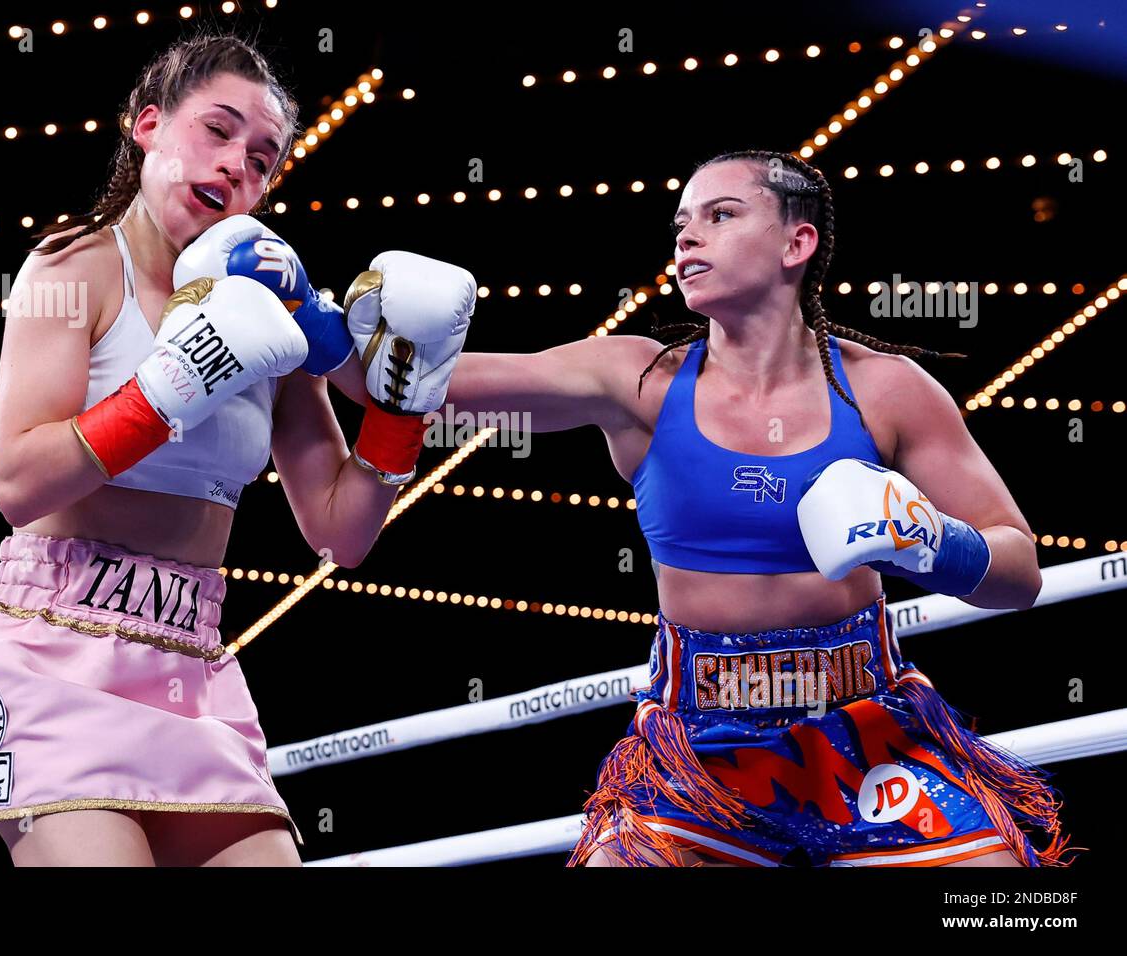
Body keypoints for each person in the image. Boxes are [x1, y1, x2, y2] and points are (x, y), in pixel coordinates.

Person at [0, 33, 474, 866]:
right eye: (216, 130)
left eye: (263, 157)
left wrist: (400, 407)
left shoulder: (274, 309)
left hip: (191, 671)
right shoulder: (75, 266)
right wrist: (170, 386)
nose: (237, 165)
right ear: (147, 126)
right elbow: (18, 484)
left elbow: (340, 533)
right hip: (40, 659)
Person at [424, 149, 1073, 867]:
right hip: (699, 743)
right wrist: (322, 325)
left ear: (798, 243)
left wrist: (931, 542)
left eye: (720, 215)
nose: (687, 238)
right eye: (681, 224)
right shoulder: (637, 379)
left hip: (871, 731)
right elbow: (426, 385)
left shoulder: (887, 389)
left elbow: (1021, 572)